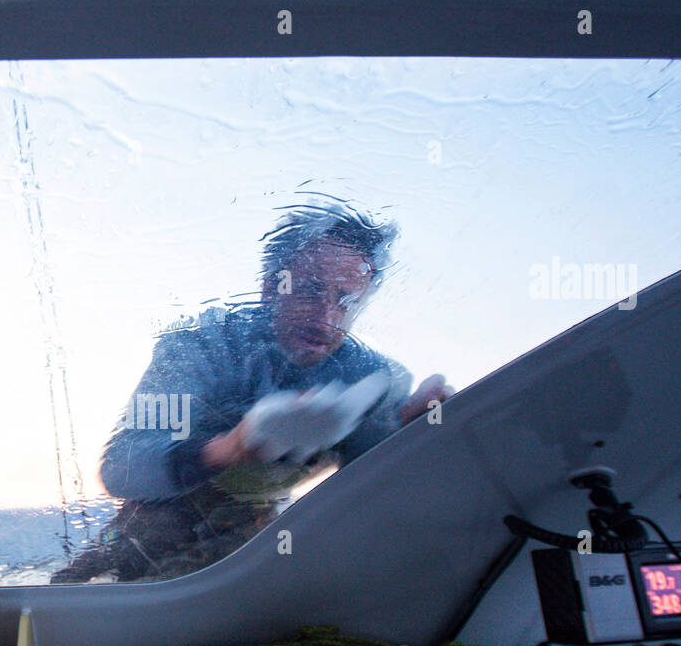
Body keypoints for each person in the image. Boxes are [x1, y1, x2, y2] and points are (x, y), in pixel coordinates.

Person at [50, 201, 452, 584]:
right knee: (99, 586)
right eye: (311, 290)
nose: (327, 317)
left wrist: (407, 434)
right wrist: (230, 447)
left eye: (346, 300)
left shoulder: (365, 374)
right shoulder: (200, 349)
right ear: (270, 287)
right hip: (154, 524)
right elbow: (120, 468)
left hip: (259, 528)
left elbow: (367, 470)